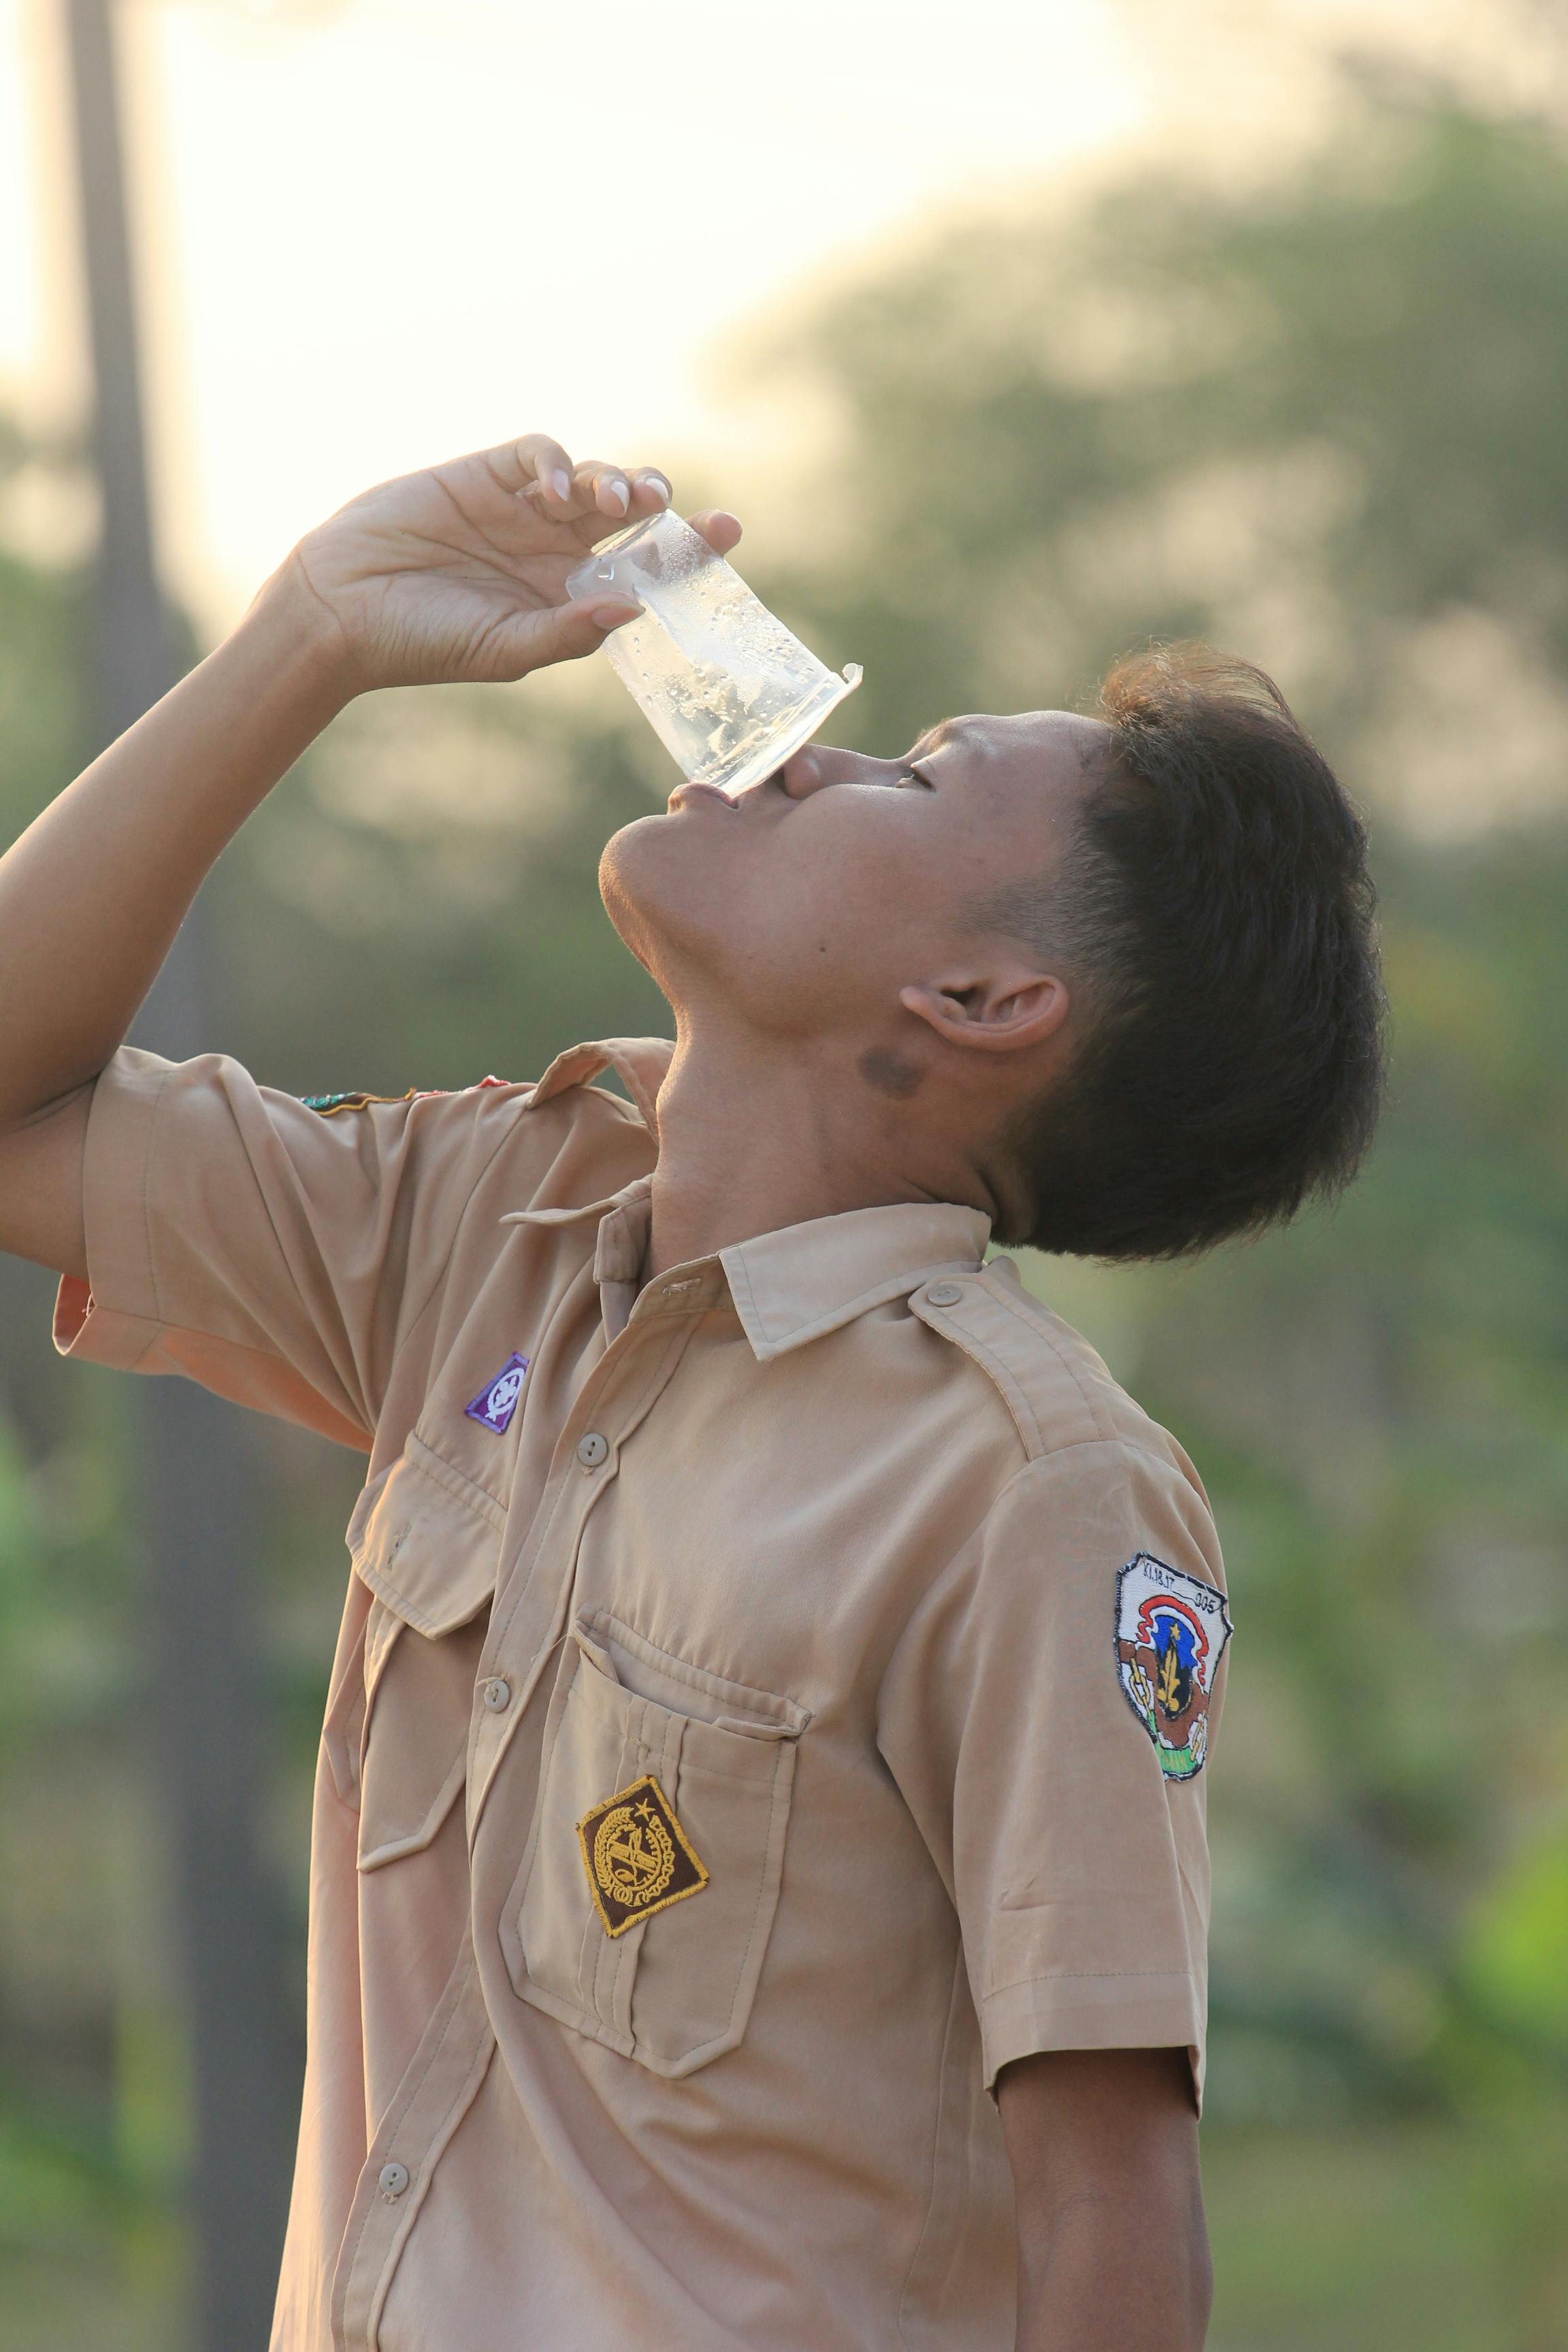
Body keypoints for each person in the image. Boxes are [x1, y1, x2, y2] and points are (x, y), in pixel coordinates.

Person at [0, 434, 1384, 2352]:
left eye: (907, 773)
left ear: (984, 1006)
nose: (797, 750)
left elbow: (1114, 2211)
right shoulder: (486, 1227)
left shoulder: (1023, 1487)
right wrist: (305, 639)